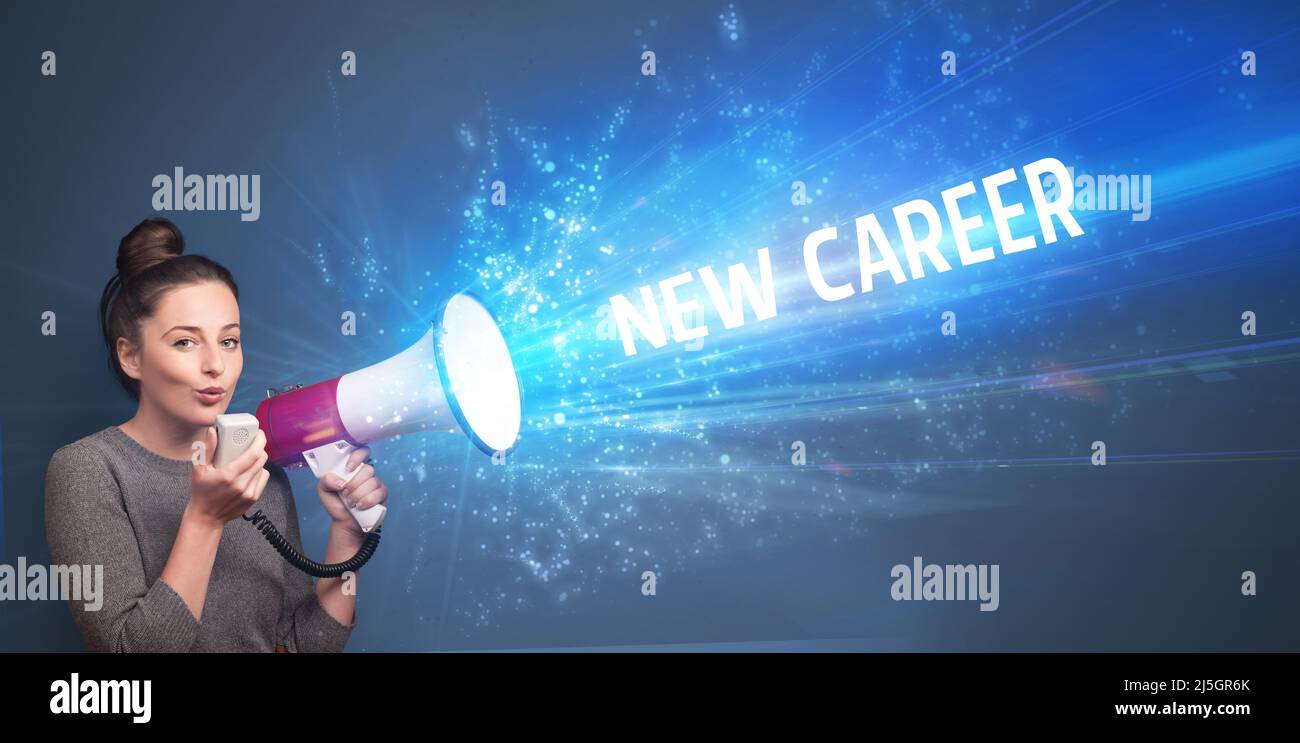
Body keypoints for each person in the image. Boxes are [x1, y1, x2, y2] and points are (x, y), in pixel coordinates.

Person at [43, 217, 388, 652]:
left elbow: (305, 646)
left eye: (229, 341)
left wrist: (347, 536)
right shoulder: (88, 470)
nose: (215, 366)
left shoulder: (257, 468)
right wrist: (205, 519)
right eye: (185, 342)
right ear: (131, 357)